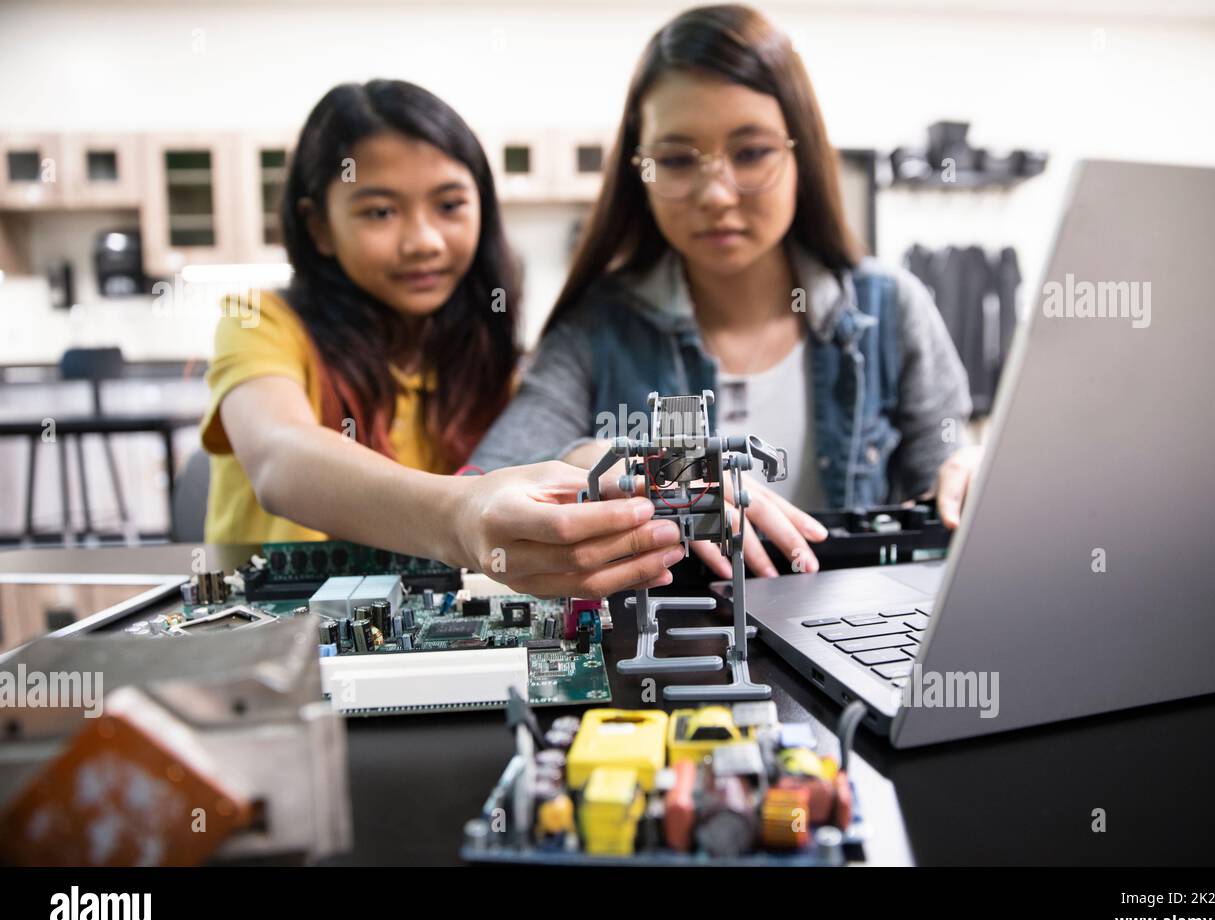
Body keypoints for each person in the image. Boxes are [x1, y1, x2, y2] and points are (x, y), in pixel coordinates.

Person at [471, 4, 980, 580]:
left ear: (801, 154)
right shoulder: (598, 329)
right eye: (678, 159)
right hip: (669, 656)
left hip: (857, 646)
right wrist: (606, 465)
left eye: (751, 152)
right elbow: (487, 490)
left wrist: (969, 474)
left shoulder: (892, 309)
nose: (715, 194)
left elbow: (945, 497)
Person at [199, 80, 683, 598]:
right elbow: (280, 457)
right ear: (318, 226)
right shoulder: (259, 322)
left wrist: (588, 460)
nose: (423, 242)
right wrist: (460, 515)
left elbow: (513, 464)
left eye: (449, 205)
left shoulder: (482, 352)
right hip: (271, 627)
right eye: (380, 212)